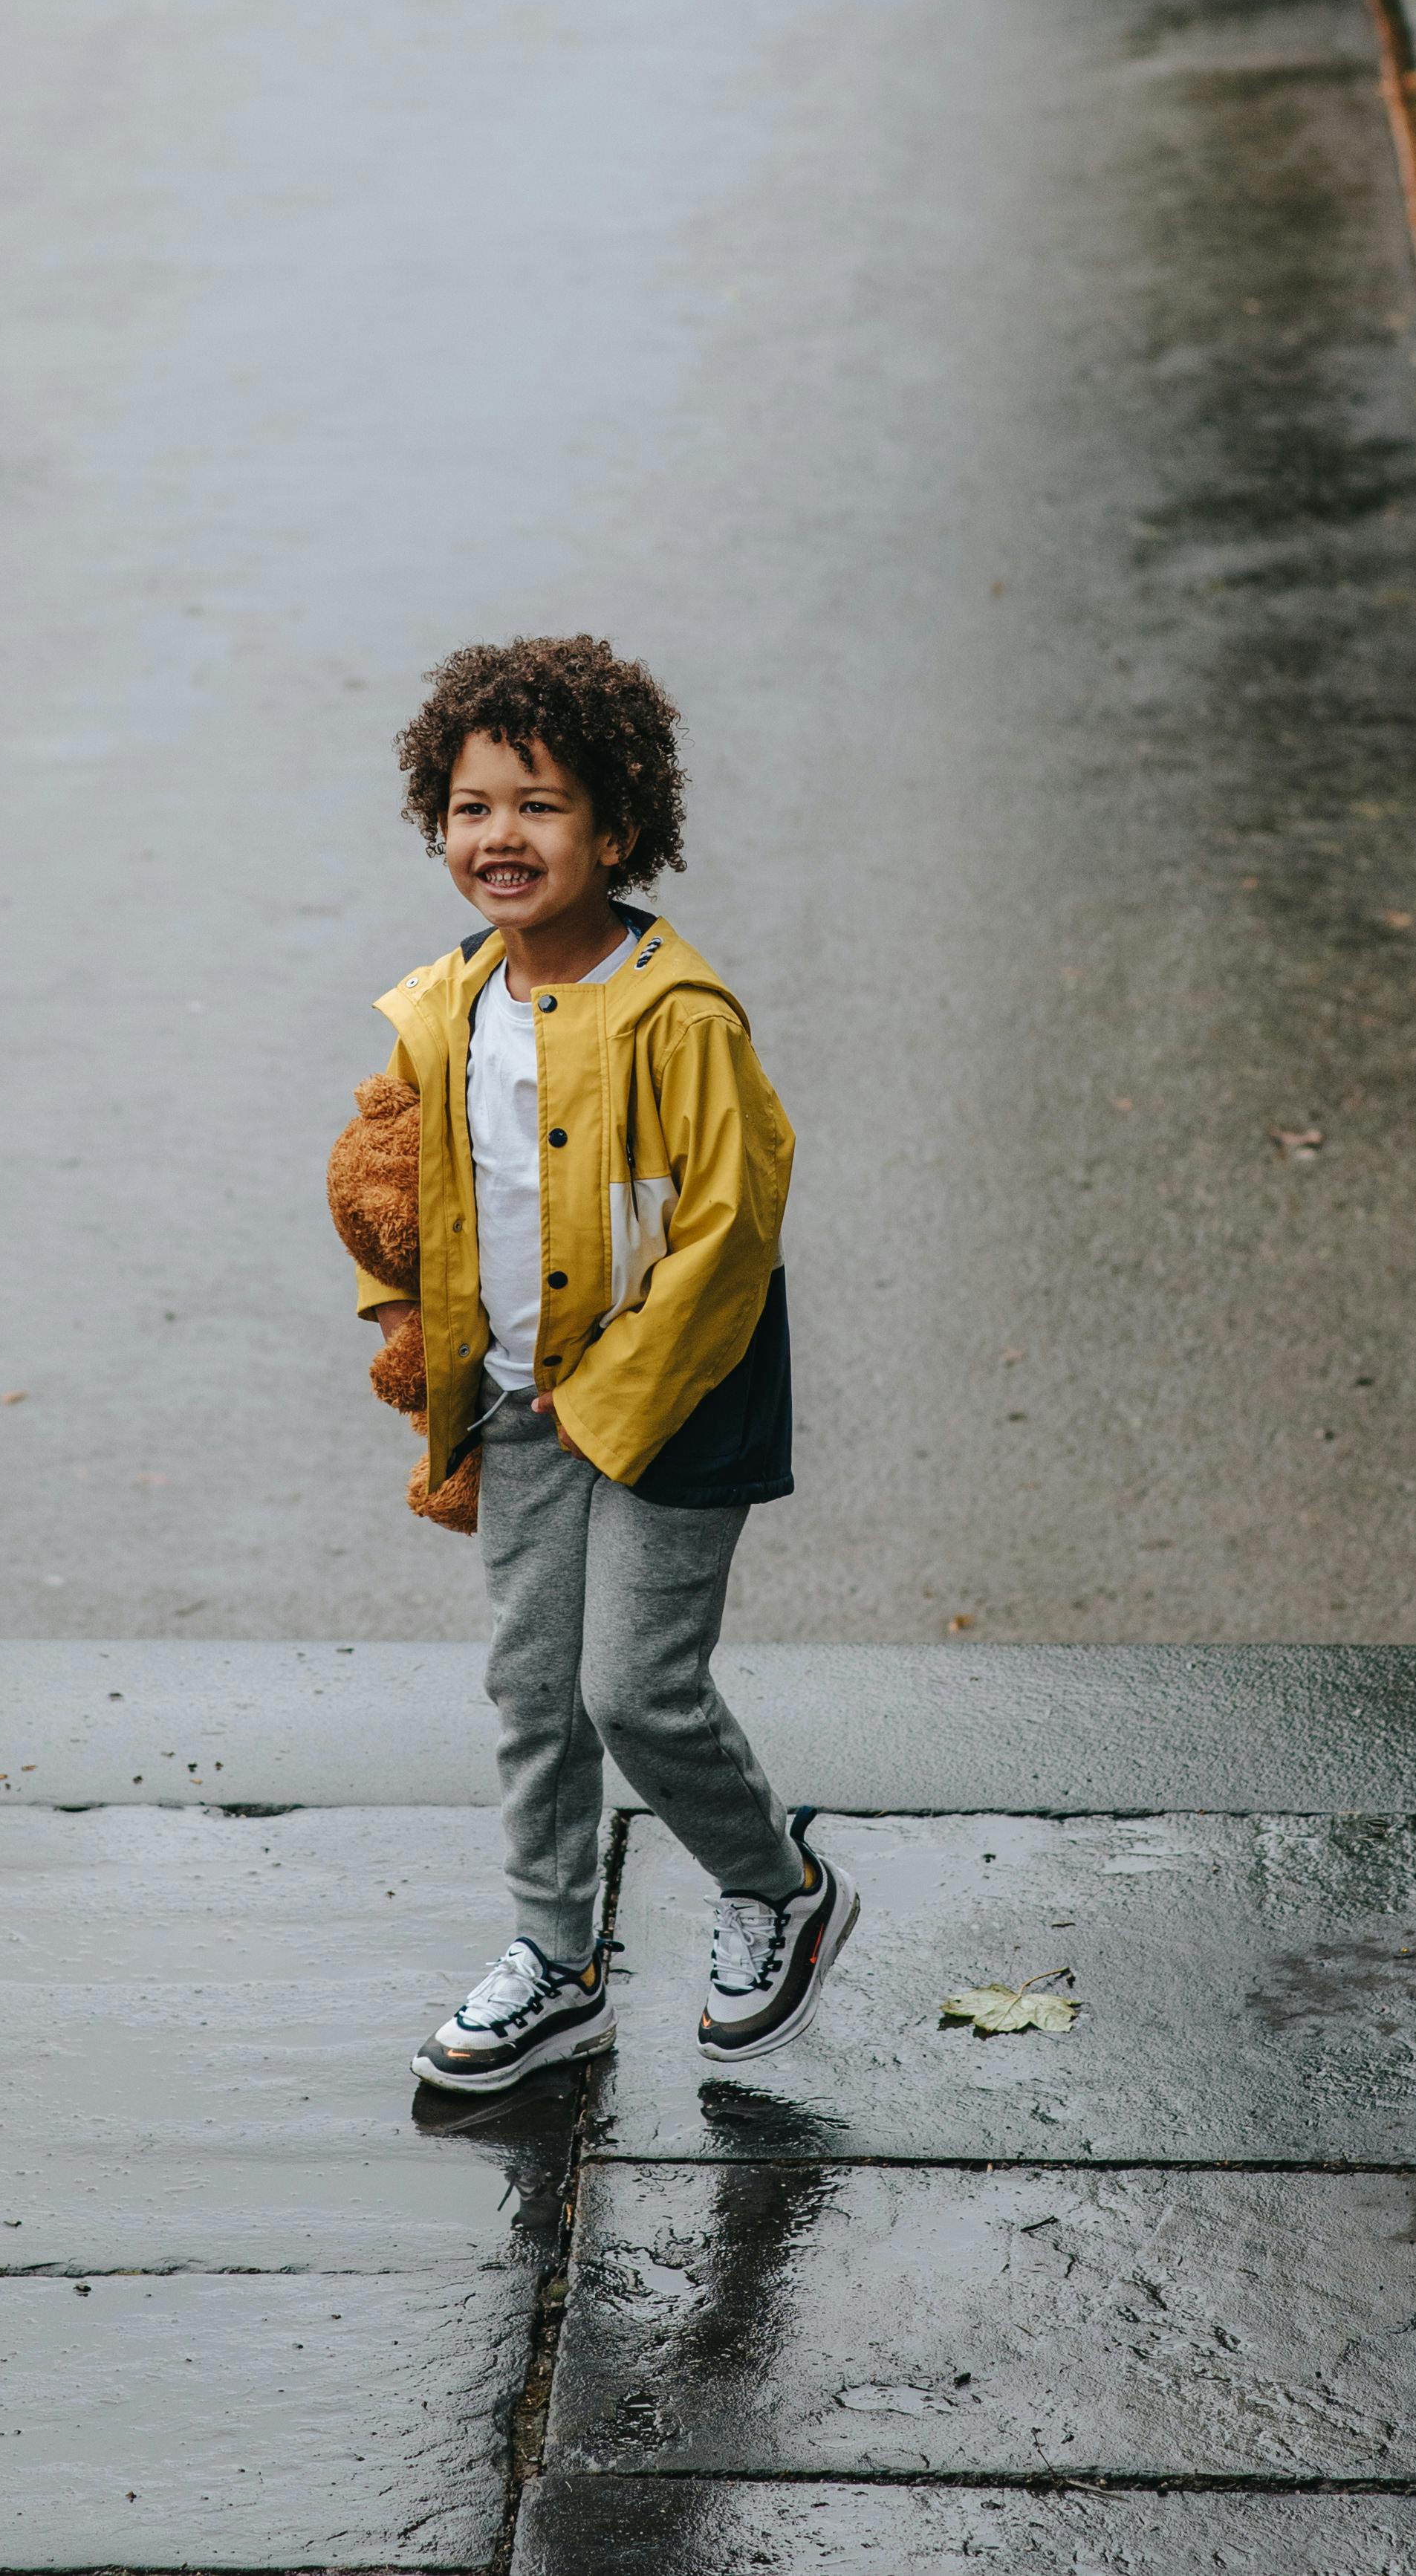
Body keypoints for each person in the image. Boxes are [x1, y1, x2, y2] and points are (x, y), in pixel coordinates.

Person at [347, 632, 858, 2095]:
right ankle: (556, 1960)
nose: (501, 835)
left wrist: (616, 1388)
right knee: (535, 1693)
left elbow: (731, 1224)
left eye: (541, 803)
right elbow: (398, 1180)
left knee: (637, 1688)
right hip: (512, 1400)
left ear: (618, 827)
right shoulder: (442, 1009)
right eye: (471, 806)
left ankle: (778, 1888)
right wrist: (399, 1306)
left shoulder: (676, 1015)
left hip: (672, 1406)